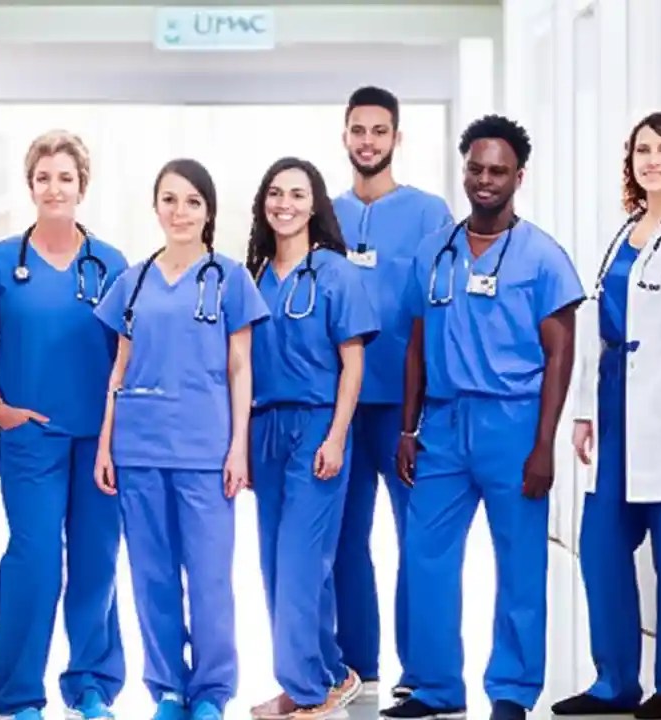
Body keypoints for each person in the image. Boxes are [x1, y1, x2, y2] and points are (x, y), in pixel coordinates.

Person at [387, 115, 584, 720]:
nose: (485, 180)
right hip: (444, 427)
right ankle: (437, 687)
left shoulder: (543, 257)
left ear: (519, 177)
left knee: (520, 562)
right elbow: (416, 344)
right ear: (463, 169)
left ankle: (512, 691)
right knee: (424, 555)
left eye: (498, 170)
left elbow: (560, 353)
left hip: (514, 424)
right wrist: (408, 427)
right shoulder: (436, 251)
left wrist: (544, 444)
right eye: (475, 168)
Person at [550, 112, 661, 720]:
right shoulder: (625, 230)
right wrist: (582, 413)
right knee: (599, 550)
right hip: (613, 412)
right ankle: (614, 683)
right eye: (642, 150)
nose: (652, 160)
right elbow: (597, 328)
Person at [0, 129, 129, 720]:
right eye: (43, 177)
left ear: (83, 186)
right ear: (30, 185)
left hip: (100, 443)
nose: (54, 188)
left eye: (65, 177)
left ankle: (91, 686)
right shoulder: (4, 262)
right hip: (31, 438)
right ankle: (19, 692)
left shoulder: (110, 264)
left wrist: (116, 432)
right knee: (33, 560)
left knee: (96, 560)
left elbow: (127, 358)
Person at [92, 158, 270, 720]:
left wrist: (238, 445)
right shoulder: (134, 280)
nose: (180, 211)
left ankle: (212, 692)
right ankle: (168, 688)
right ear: (155, 207)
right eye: (169, 199)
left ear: (209, 211)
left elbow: (241, 368)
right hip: (139, 448)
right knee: (152, 576)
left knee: (211, 578)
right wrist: (104, 444)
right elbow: (117, 371)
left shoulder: (230, 278)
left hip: (205, 450)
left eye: (192, 201)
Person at [330, 85, 454, 704]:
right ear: (344, 135)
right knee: (342, 536)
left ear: (397, 139)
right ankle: (357, 664)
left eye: (380, 131)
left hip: (406, 410)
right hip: (339, 408)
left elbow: (440, 313)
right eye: (359, 130)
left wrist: (427, 406)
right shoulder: (323, 213)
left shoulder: (430, 214)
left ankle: (421, 670)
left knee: (418, 536)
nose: (368, 141)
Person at [243, 157, 379, 720]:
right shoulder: (252, 277)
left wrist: (338, 436)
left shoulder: (336, 273)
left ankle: (304, 691)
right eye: (275, 193)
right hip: (264, 427)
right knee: (278, 566)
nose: (285, 204)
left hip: (317, 426)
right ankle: (322, 674)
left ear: (315, 204)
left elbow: (353, 364)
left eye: (298, 194)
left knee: (302, 562)